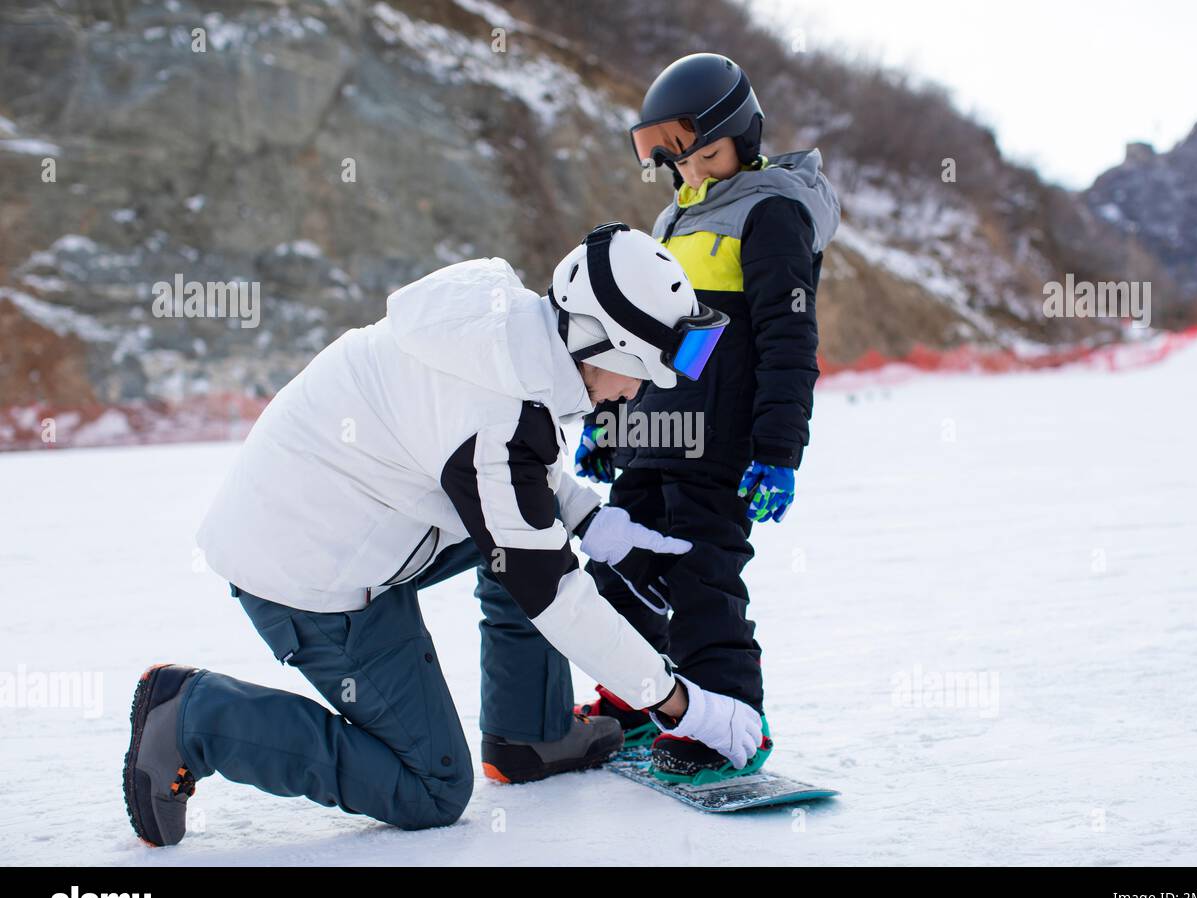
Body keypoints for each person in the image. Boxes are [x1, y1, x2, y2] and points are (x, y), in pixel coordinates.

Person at [121, 224, 762, 847]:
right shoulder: (493, 419)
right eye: (641, 373)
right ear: (602, 344)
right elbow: (551, 588)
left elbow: (518, 477)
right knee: (431, 789)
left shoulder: (506, 324)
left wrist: (596, 522)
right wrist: (682, 706)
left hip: (352, 513)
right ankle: (194, 718)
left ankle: (529, 736)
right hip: (308, 573)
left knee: (525, 546)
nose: (639, 392)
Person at [487, 53, 841, 785]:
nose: (694, 175)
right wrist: (608, 434)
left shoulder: (771, 213)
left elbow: (788, 340)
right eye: (681, 163)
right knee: (622, 568)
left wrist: (778, 450)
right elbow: (645, 346)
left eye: (708, 155)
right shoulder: (674, 216)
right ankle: (630, 698)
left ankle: (733, 719)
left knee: (701, 576)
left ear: (745, 138)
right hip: (652, 437)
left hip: (719, 444)